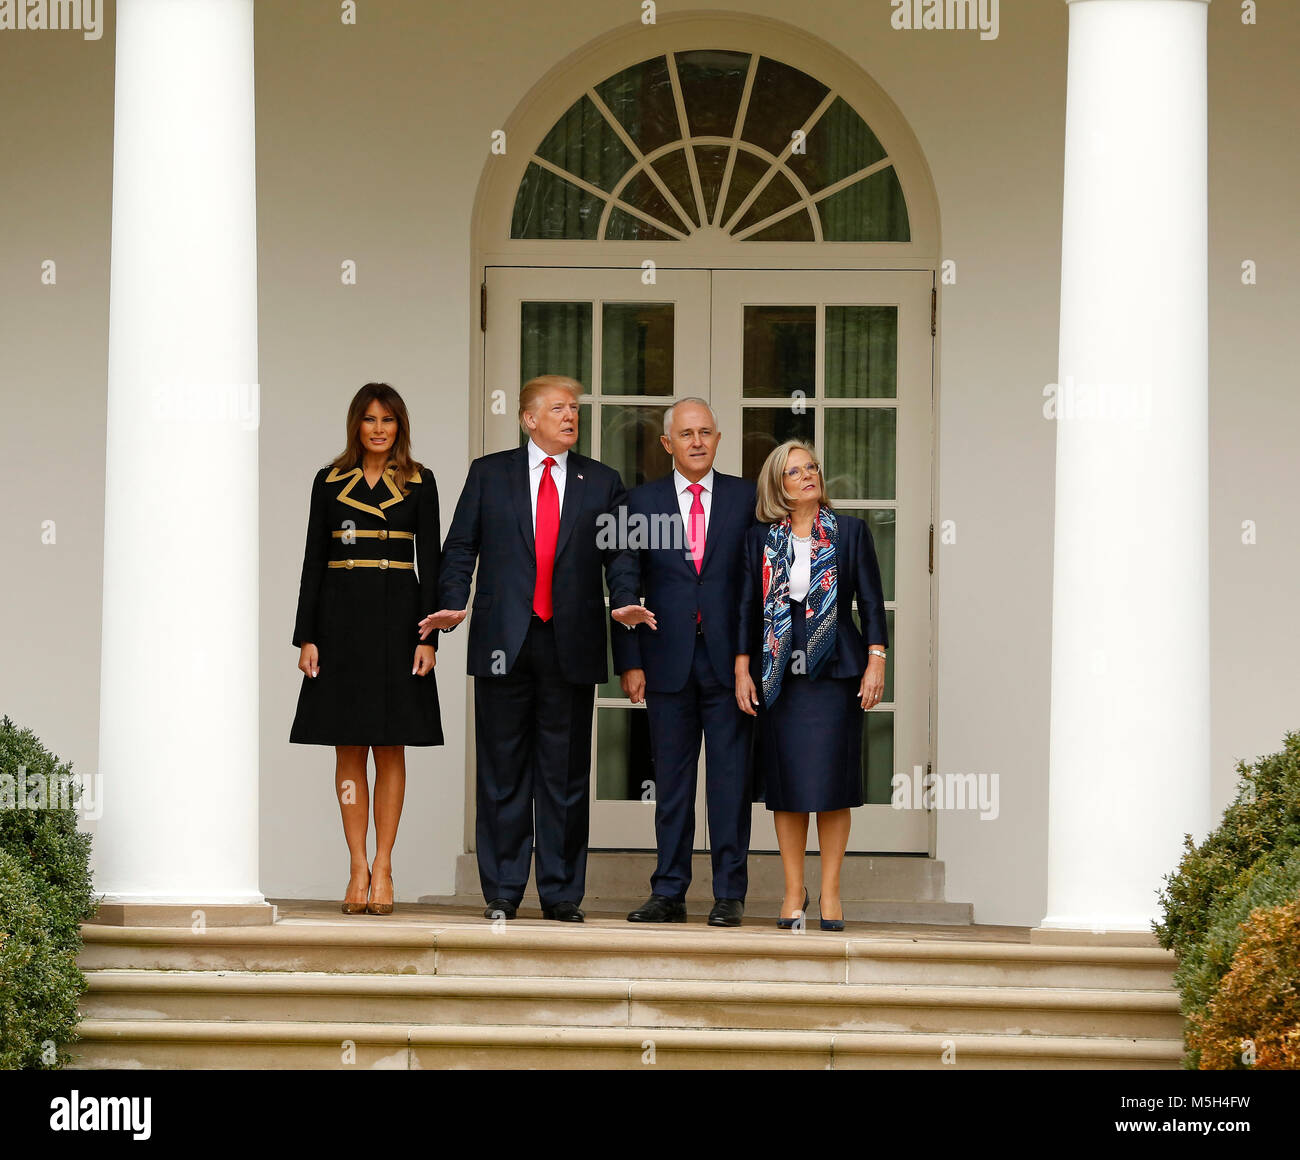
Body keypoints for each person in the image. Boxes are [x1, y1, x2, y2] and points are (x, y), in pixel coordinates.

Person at [421, 375, 652, 922]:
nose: (570, 416)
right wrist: (453, 604)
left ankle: (561, 893)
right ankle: (502, 890)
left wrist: (623, 600)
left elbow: (622, 554)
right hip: (504, 642)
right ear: (528, 419)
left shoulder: (601, 481)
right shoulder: (490, 473)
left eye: (574, 408)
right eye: (557, 408)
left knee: (565, 776)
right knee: (502, 772)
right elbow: (460, 546)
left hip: (570, 643)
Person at [290, 382, 442, 917]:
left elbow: (433, 566)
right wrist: (307, 635)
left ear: (400, 426)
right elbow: (313, 560)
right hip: (340, 624)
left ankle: (384, 865)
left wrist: (429, 639)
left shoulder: (421, 482)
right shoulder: (328, 481)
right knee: (348, 746)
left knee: (391, 746)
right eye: (370, 419)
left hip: (400, 623)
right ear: (356, 424)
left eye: (389, 420)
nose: (379, 429)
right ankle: (356, 865)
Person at [613, 398, 758, 927]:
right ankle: (669, 892)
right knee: (671, 786)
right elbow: (625, 582)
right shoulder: (640, 501)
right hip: (664, 660)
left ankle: (729, 894)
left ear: (718, 439)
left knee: (729, 782)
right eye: (686, 434)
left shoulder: (747, 499)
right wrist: (629, 659)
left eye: (706, 433)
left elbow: (758, 585)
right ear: (666, 443)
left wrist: (755, 659)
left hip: (730, 665)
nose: (697, 442)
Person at [735, 441, 888, 931]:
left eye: (813, 468)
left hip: (837, 672)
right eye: (795, 471)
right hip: (779, 674)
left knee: (833, 786)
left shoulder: (849, 533)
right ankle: (792, 891)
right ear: (777, 486)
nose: (808, 476)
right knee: (789, 787)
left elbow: (871, 601)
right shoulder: (760, 539)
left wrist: (876, 661)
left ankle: (830, 893)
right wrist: (742, 668)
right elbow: (745, 609)